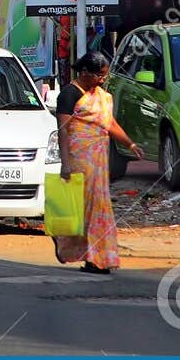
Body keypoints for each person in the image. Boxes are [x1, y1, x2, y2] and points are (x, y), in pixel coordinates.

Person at [55, 52, 144, 274]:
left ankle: (96, 259)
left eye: (105, 75)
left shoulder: (101, 96)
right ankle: (71, 246)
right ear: (84, 72)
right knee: (80, 209)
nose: (102, 79)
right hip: (79, 160)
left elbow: (109, 123)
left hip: (99, 161)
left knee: (98, 209)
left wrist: (130, 144)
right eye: (99, 75)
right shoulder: (69, 94)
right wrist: (65, 164)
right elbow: (63, 132)